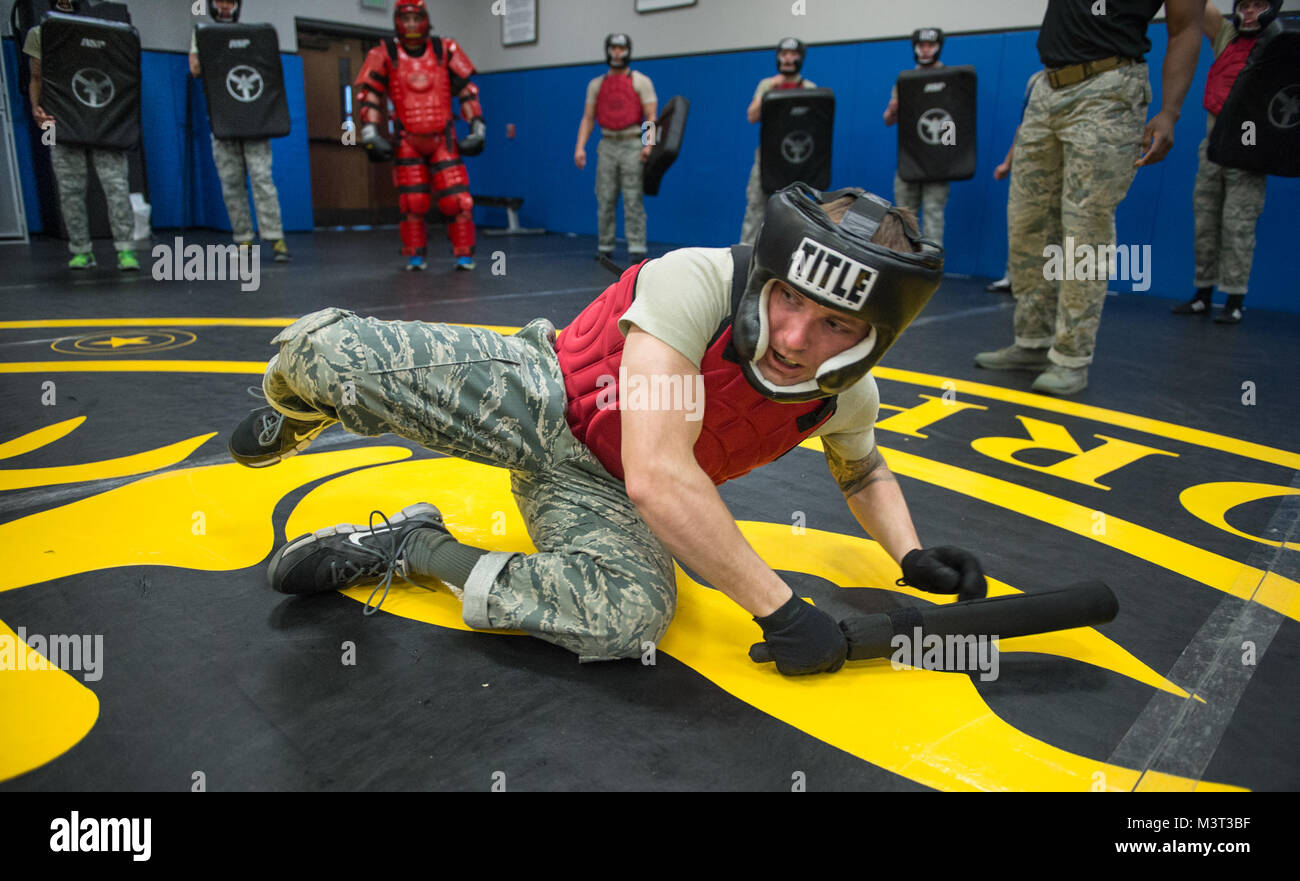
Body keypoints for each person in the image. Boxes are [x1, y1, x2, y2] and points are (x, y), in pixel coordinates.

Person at [226, 184, 988, 676]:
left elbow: (863, 471)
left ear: (872, 338)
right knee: (325, 354)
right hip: (545, 396)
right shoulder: (696, 281)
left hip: (605, 488)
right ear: (768, 275)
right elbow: (660, 473)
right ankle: (305, 406)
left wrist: (910, 553)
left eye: (833, 323)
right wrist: (782, 610)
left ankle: (407, 545)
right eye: (786, 298)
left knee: (628, 618)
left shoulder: (848, 394)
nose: (791, 338)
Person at [975, 0, 1202, 396]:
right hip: (1047, 85)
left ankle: (1070, 357)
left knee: (1084, 229)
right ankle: (1032, 342)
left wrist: (1170, 111)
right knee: (1027, 224)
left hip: (1109, 87)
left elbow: (1187, 26)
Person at [353, 0, 485, 271]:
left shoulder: (445, 49)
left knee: (458, 201)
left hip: (443, 138)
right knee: (413, 203)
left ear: (425, 19)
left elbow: (466, 91)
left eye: (416, 18)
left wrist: (478, 127)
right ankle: (415, 257)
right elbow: (370, 96)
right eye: (406, 19)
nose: (411, 25)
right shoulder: (384, 53)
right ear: (397, 22)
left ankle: (464, 256)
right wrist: (369, 131)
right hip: (407, 140)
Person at [1171, 0, 1278, 324]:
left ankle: (1234, 300)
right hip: (1214, 146)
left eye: (1259, 6)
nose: (1249, 13)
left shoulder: (1279, 44)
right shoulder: (1227, 36)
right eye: (1244, 5)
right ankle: (1202, 295)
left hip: (1249, 152)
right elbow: (1198, 7)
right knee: (1205, 221)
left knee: (1239, 226)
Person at [24, 0, 139, 271]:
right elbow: (36, 77)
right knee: (67, 187)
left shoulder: (102, 29)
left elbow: (120, 75)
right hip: (54, 122)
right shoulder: (39, 32)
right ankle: (80, 251)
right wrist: (35, 111)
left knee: (116, 186)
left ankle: (126, 251)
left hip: (104, 119)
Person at [189, 0, 290, 263]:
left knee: (262, 180)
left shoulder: (253, 35)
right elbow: (195, 69)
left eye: (230, 1)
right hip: (224, 124)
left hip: (255, 123)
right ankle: (243, 238)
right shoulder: (203, 35)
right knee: (231, 183)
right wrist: (217, 54)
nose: (225, 6)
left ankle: (276, 237)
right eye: (220, 1)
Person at [574, 34, 657, 262]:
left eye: (621, 48)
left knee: (633, 197)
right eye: (613, 48)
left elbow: (651, 115)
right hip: (607, 143)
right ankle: (605, 245)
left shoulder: (641, 81)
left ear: (628, 50)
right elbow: (588, 118)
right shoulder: (597, 85)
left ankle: (637, 247)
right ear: (608, 51)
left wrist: (648, 144)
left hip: (631, 142)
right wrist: (580, 147)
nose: (617, 53)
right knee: (605, 196)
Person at [739, 38, 818, 246]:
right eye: (783, 54)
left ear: (800, 58)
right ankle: (745, 256)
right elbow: (752, 117)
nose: (787, 59)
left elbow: (816, 127)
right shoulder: (766, 84)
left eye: (792, 54)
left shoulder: (809, 88)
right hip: (768, 156)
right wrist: (769, 92)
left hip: (796, 157)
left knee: (795, 210)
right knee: (756, 206)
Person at [883, 28, 949, 247]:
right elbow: (888, 119)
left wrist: (949, 153)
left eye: (930, 45)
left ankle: (930, 269)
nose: (926, 50)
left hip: (938, 161)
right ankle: (903, 266)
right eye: (921, 45)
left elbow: (959, 121)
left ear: (938, 47)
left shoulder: (950, 79)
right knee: (903, 217)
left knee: (933, 217)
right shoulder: (906, 80)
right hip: (910, 159)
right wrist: (893, 110)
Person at [987, 71, 1047, 294]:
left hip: (1061, 161)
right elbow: (1023, 127)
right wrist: (1007, 162)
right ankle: (1013, 277)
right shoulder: (1035, 80)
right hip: (1030, 162)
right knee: (1021, 221)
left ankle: (1050, 281)